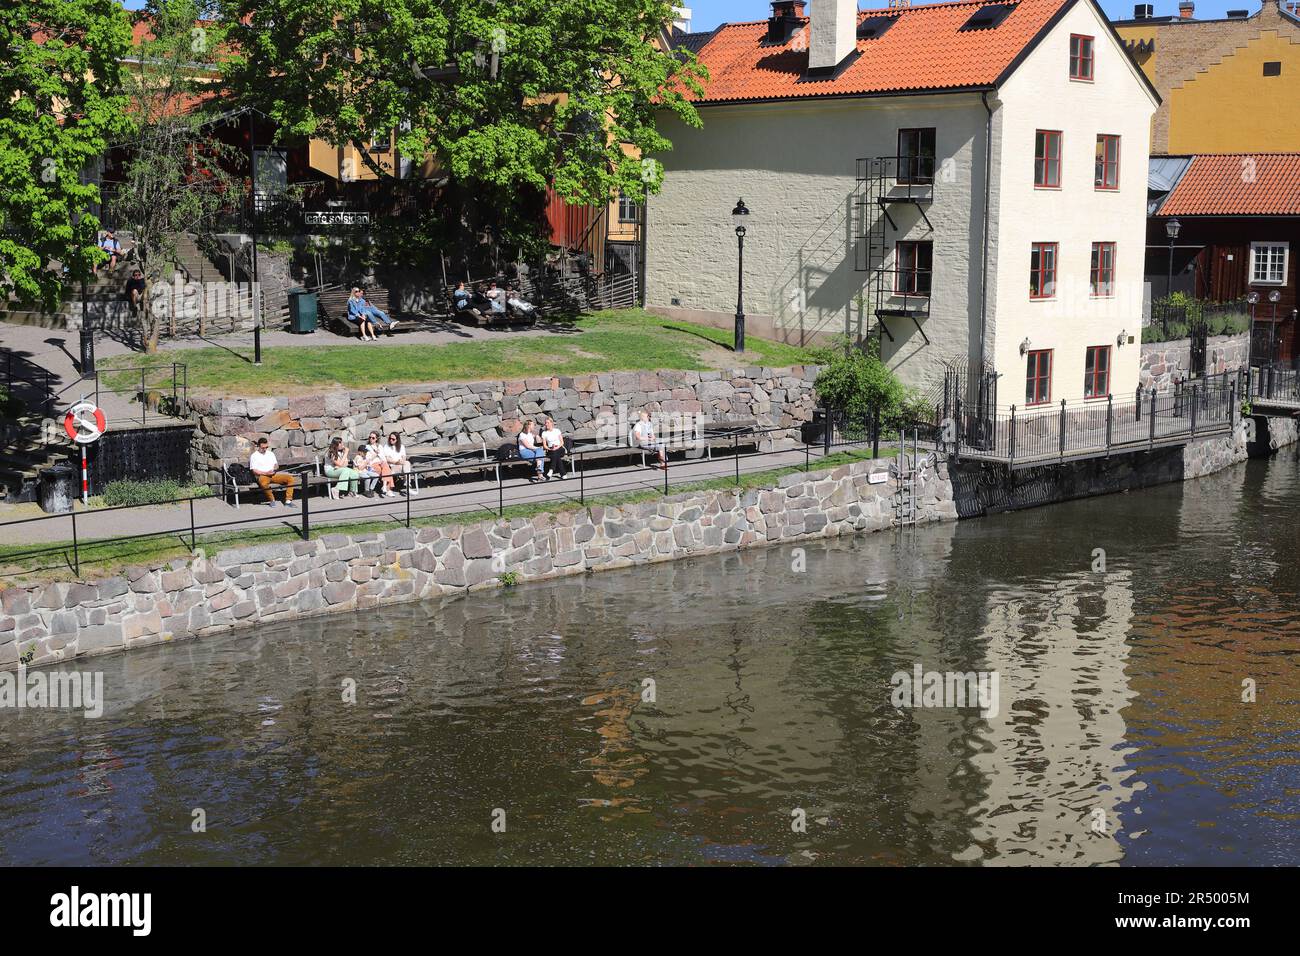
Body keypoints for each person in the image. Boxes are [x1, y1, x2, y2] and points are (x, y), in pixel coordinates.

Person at [249, 437, 296, 505]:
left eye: (266, 447)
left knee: (290, 479)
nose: (265, 449)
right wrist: (266, 473)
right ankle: (272, 499)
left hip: (273, 474)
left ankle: (288, 500)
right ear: (258, 446)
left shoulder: (270, 454)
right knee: (264, 483)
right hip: (262, 475)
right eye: (263, 448)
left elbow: (276, 465)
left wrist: (274, 469)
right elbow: (254, 471)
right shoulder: (254, 456)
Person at [361, 430, 397, 496]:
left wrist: (381, 457)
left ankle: (384, 486)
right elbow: (368, 460)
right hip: (373, 465)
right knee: (387, 471)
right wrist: (375, 453)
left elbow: (383, 458)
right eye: (370, 437)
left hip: (381, 463)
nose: (371, 439)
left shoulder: (380, 446)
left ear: (376, 439)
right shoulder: (367, 447)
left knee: (385, 465)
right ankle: (387, 489)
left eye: (373, 438)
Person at [381, 431, 416, 496]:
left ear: (397, 440)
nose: (391, 440)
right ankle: (408, 486)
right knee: (406, 465)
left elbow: (404, 457)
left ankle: (407, 484)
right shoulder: (386, 446)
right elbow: (387, 459)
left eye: (393, 439)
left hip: (401, 466)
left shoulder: (401, 446)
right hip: (392, 467)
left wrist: (401, 461)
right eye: (390, 438)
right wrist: (397, 462)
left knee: (407, 463)